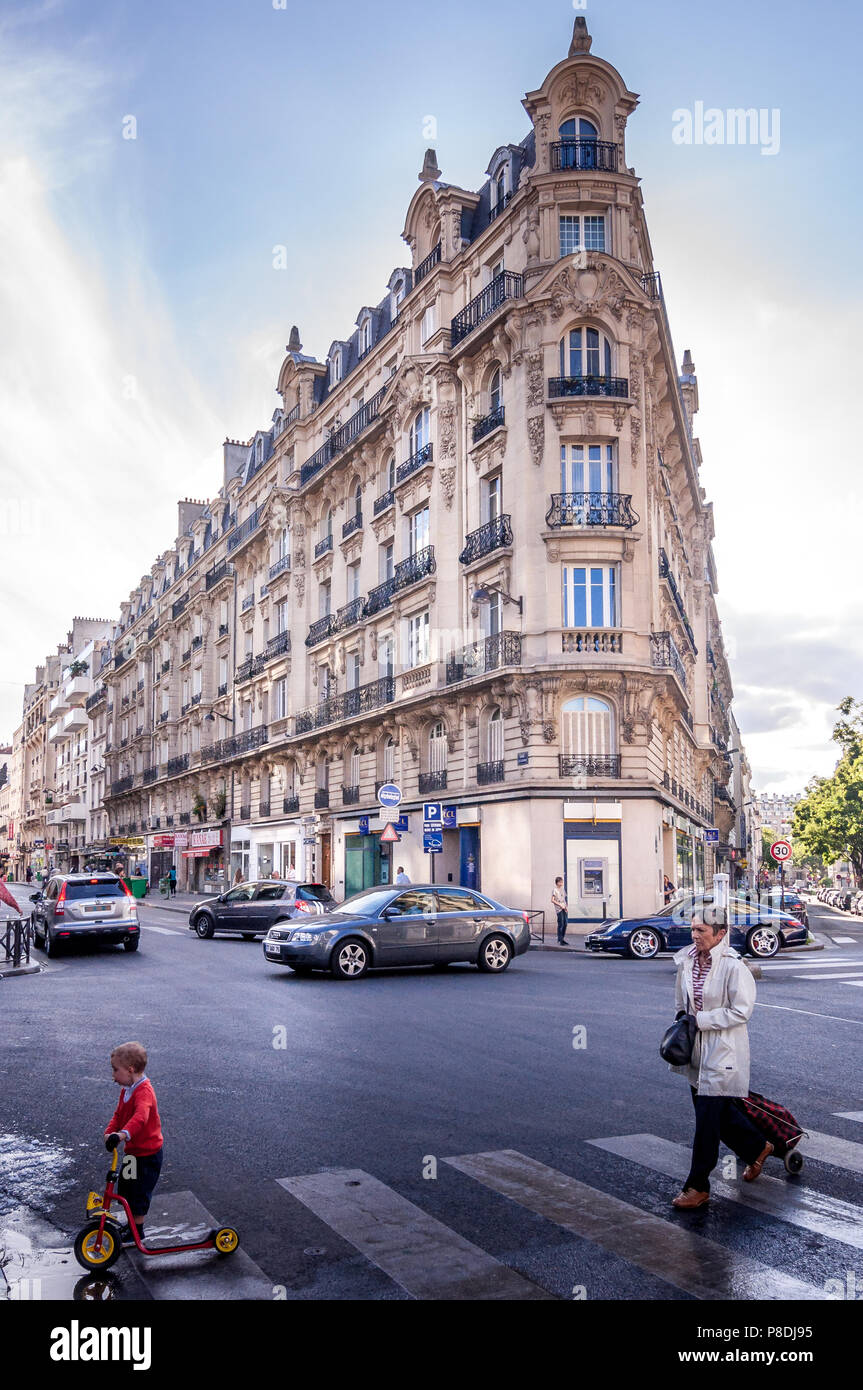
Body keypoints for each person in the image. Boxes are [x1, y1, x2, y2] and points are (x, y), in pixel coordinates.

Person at [668, 908, 773, 1209]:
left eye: (702, 930)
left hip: (722, 1051)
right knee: (718, 1114)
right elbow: (681, 1001)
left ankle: (697, 1186)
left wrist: (702, 1020)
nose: (695, 936)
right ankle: (757, 1146)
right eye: (693, 929)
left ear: (721, 934)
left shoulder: (732, 967)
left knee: (706, 1122)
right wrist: (683, 1023)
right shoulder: (686, 959)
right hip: (695, 1050)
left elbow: (742, 1011)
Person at [104, 1041, 164, 1245]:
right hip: (133, 1154)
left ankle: (137, 1231)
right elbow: (119, 1114)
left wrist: (122, 1135)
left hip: (147, 1155)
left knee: (139, 1192)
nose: (113, 1076)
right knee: (126, 1188)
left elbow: (140, 1117)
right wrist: (110, 1132)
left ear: (130, 1070)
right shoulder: (127, 1090)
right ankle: (131, 1225)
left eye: (115, 1070)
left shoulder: (144, 1091)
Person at [551, 876, 568, 945]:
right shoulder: (554, 890)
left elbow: (564, 899)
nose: (561, 883)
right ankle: (560, 940)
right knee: (561, 924)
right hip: (559, 909)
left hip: (564, 908)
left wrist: (566, 907)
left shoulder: (562, 890)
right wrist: (560, 905)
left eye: (562, 882)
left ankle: (562, 939)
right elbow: (552, 900)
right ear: (557, 882)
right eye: (560, 882)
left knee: (565, 924)